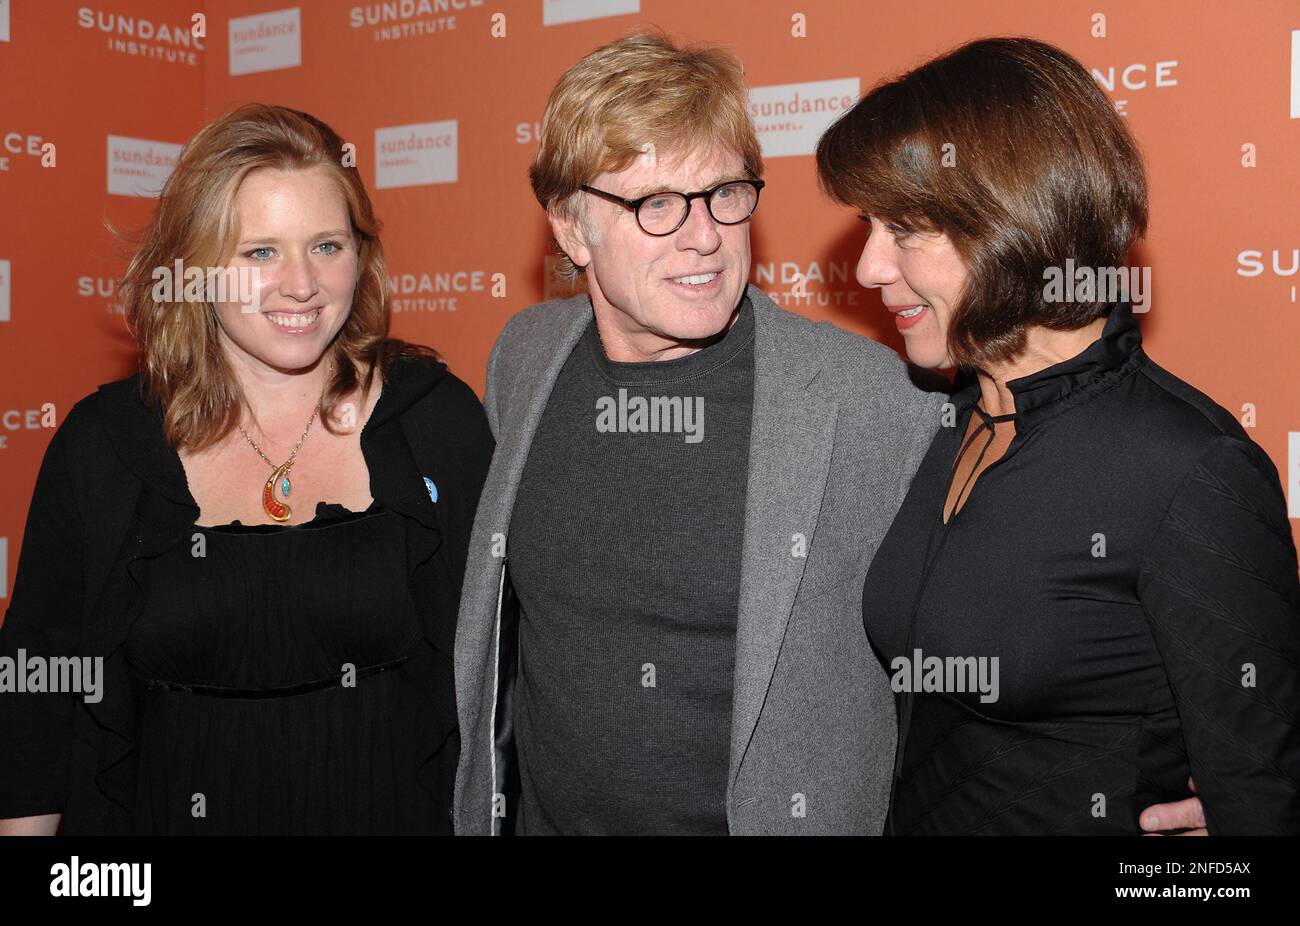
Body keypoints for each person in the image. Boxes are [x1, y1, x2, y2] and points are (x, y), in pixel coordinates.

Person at [817, 37, 1300, 835]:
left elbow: (1259, 808)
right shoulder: (950, 416)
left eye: (905, 229)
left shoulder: (1189, 469)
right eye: (870, 226)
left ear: (1014, 219)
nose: (869, 268)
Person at [0, 103, 493, 835]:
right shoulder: (104, 446)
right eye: (258, 252)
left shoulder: (435, 423)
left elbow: (502, 677)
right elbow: (37, 690)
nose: (301, 284)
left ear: (362, 257)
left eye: (326, 245)